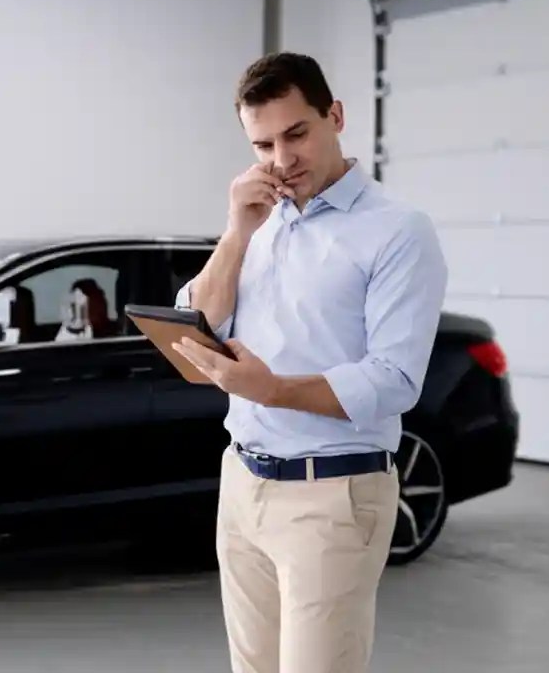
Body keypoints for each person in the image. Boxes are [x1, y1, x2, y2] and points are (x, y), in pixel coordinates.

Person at [170, 52, 448, 673]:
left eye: (296, 133)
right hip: (242, 485)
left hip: (335, 496)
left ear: (336, 116)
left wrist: (270, 390)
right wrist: (237, 231)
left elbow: (395, 380)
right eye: (263, 143)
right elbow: (201, 324)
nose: (281, 159)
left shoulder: (397, 231)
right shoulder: (260, 220)